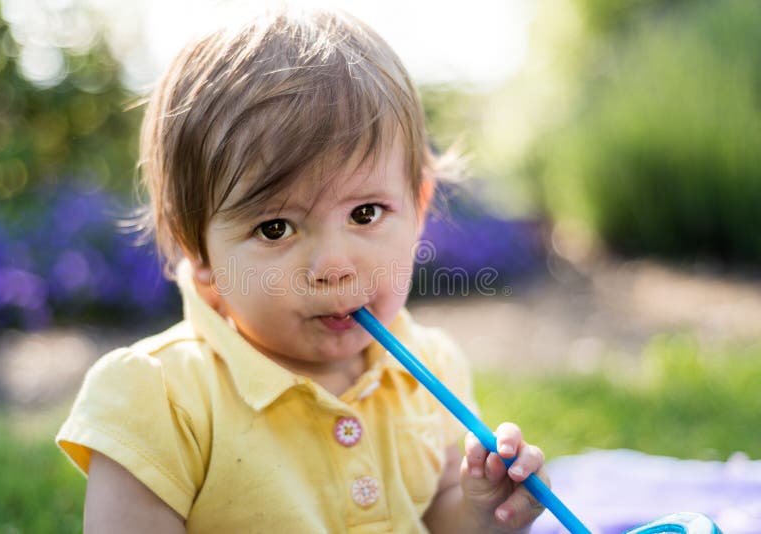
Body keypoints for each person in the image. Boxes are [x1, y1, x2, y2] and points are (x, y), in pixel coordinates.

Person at [56, 6, 549, 533]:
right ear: (196, 253)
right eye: (275, 228)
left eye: (365, 213)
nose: (333, 266)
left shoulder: (431, 370)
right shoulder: (158, 398)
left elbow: (438, 513)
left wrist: (481, 507)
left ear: (418, 210)